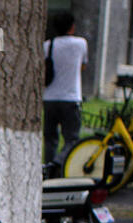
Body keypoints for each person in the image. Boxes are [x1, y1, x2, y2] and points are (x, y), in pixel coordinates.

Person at [43, 11, 89, 165]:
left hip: (49, 97)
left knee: (50, 139)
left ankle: (49, 167)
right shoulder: (80, 44)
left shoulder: (47, 45)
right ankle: (59, 162)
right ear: (72, 27)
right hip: (71, 97)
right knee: (72, 138)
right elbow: (83, 66)